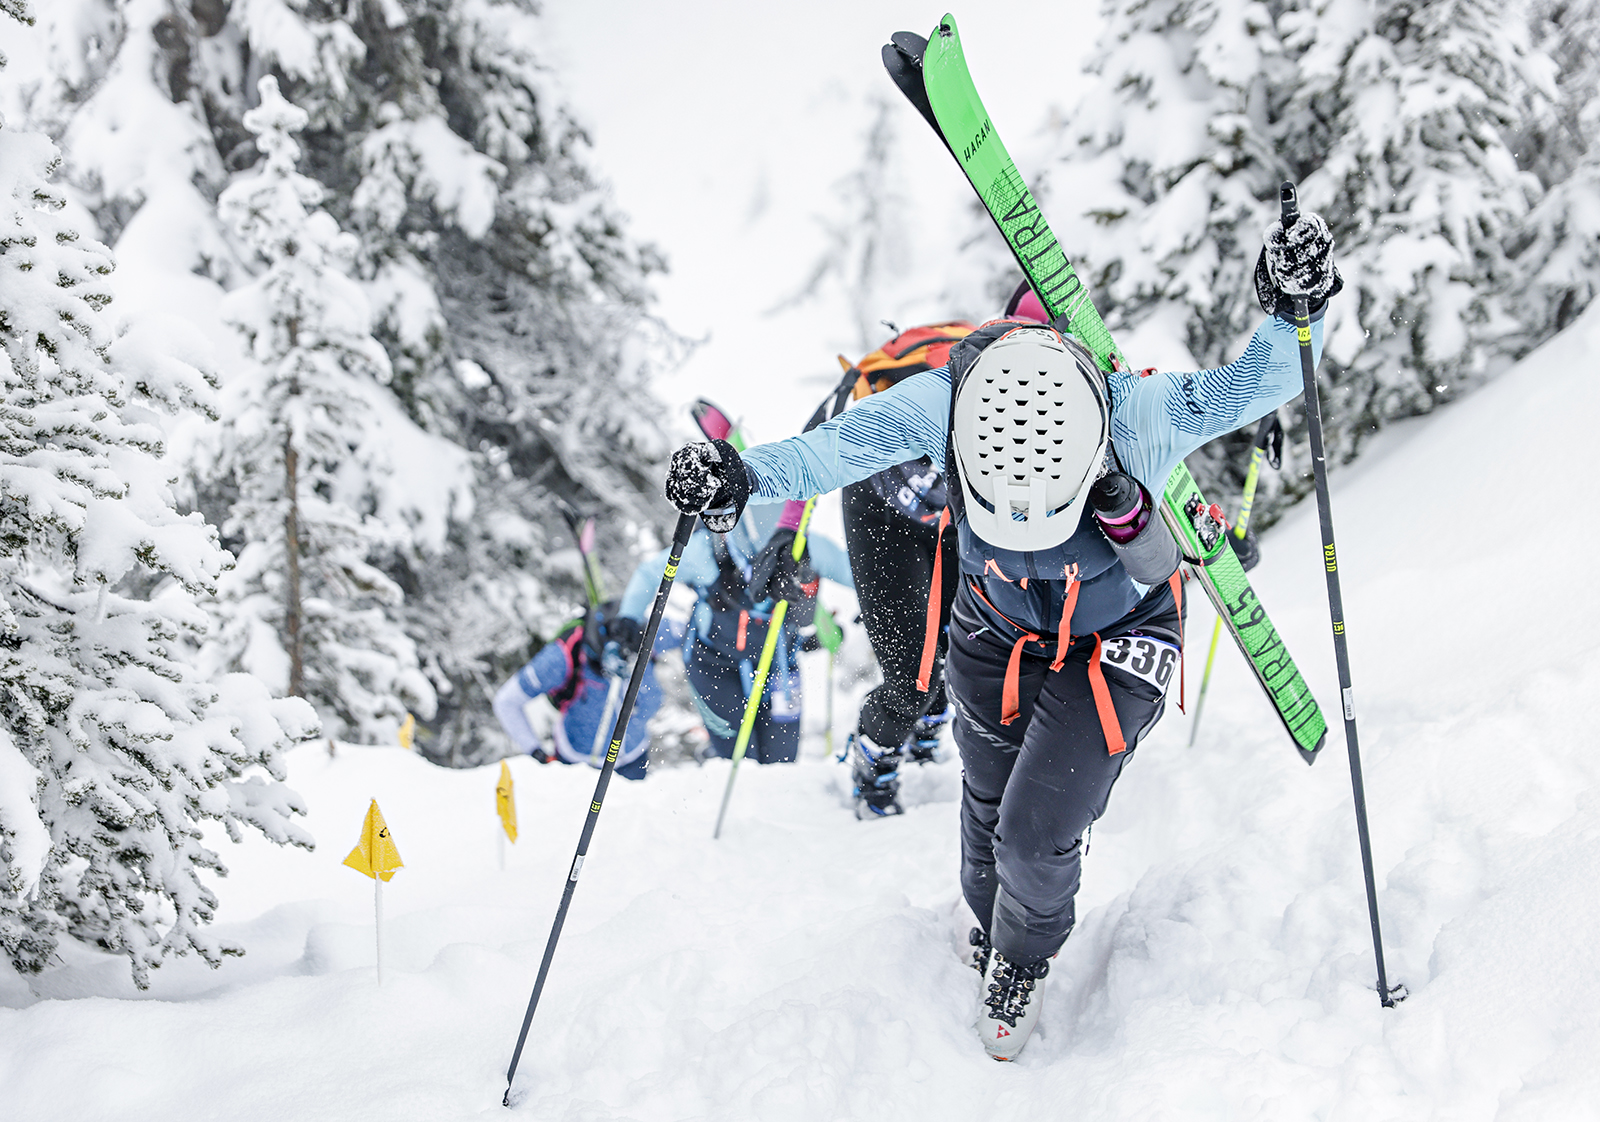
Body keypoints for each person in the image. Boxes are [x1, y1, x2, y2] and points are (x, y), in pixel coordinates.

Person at [659, 213, 1341, 1059]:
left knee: (1034, 828)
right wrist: (741, 476)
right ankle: (992, 922)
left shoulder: (1138, 412)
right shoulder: (943, 399)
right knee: (985, 813)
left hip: (1119, 636)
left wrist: (1295, 309)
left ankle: (1024, 956)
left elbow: (1253, 386)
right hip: (996, 625)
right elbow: (834, 450)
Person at [827, 322, 976, 818]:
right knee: (913, 678)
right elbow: (817, 447)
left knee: (965, 649)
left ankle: (927, 733)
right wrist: (787, 530)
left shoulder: (1028, 415)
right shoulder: (916, 396)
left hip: (952, 524)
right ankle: (875, 764)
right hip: (881, 514)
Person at [617, 500, 853, 765]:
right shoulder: (707, 550)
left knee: (781, 762)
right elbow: (651, 574)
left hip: (780, 667)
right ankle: (717, 762)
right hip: (714, 665)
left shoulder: (804, 547)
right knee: (736, 759)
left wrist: (880, 605)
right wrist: (628, 618)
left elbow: (857, 573)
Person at [491, 599, 682, 781]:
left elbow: (690, 628)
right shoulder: (562, 656)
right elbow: (507, 701)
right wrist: (535, 751)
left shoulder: (646, 634)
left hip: (634, 757)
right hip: (578, 765)